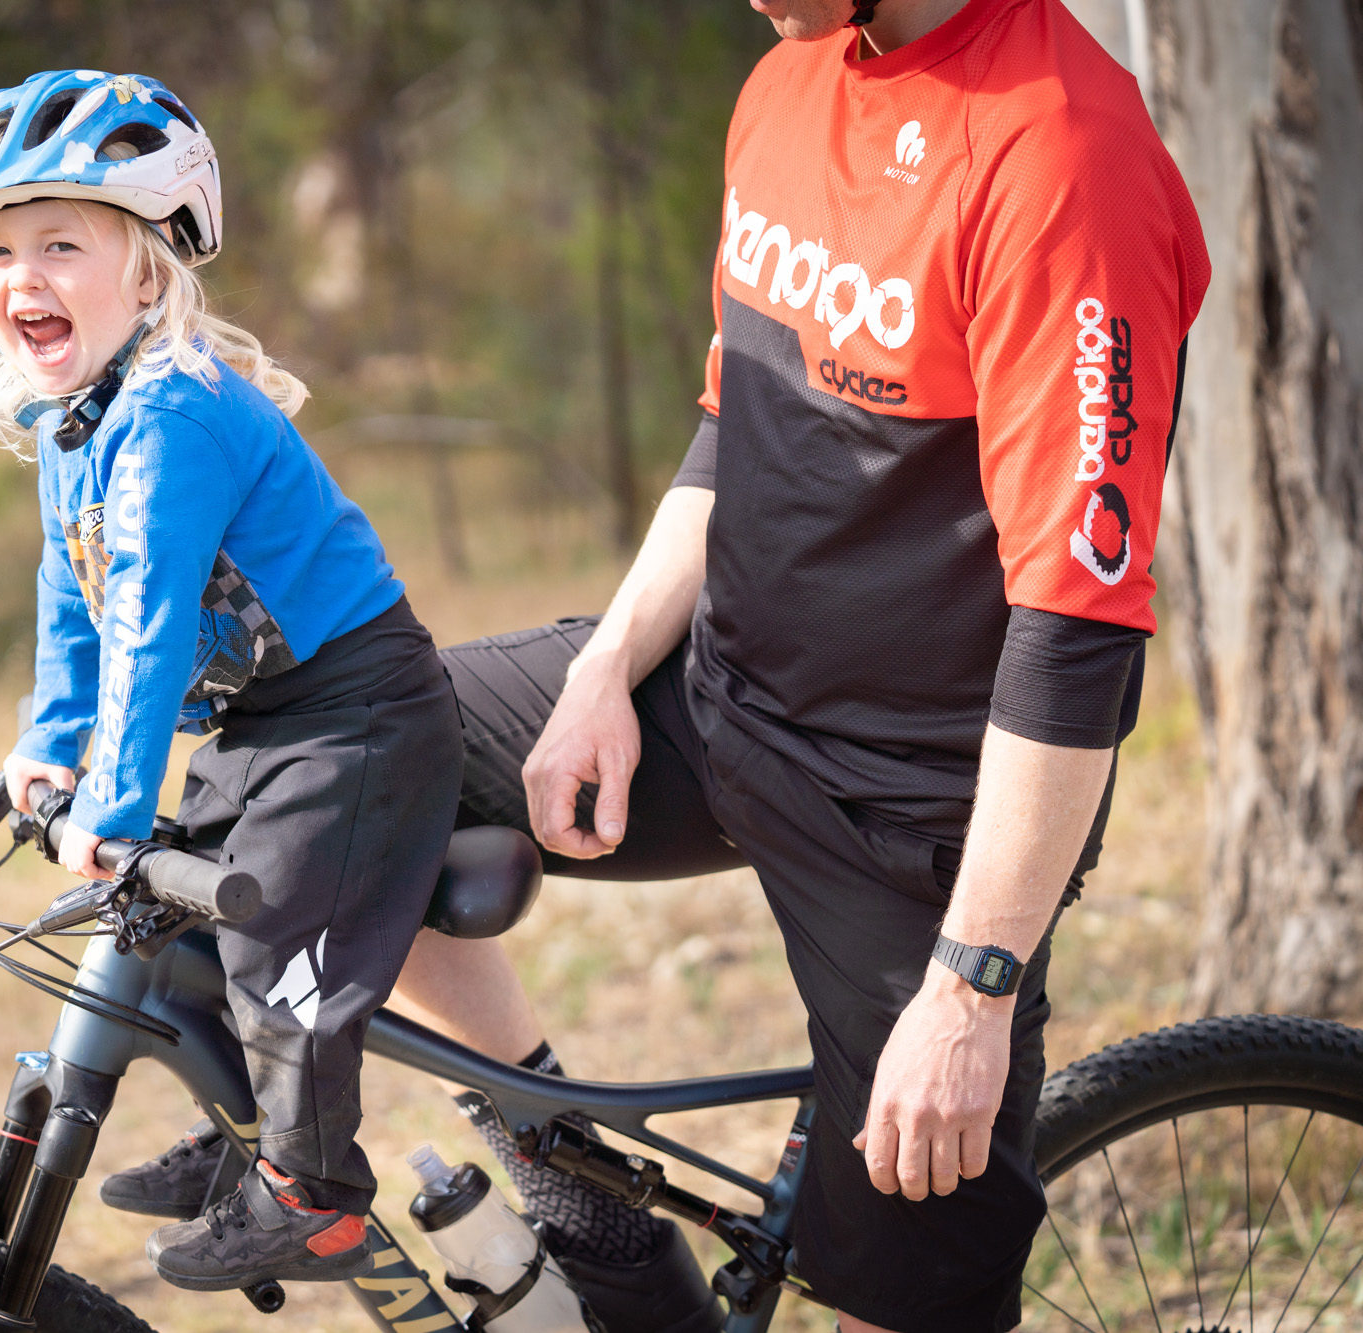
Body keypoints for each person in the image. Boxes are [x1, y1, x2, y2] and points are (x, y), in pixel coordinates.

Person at [111, 0, 1210, 1329]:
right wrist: (607, 666)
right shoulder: (791, 81)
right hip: (718, 693)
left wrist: (975, 984)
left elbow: (1074, 631)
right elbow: (733, 420)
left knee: (896, 1302)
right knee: (344, 751)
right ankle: (589, 1207)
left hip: (916, 814)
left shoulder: (1060, 155)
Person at [0, 70, 464, 1292]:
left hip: (356, 712)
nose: (24, 277)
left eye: (61, 243)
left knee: (278, 933)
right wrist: (47, 746)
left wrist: (108, 811)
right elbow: (76, 604)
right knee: (180, 920)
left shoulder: (172, 416)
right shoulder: (75, 423)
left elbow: (151, 629)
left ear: (148, 268)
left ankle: (311, 1189)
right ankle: (244, 1139)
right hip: (268, 716)